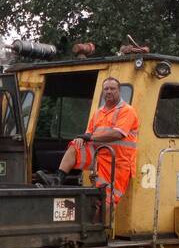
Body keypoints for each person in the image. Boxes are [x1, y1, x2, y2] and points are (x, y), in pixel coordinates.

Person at [37, 76, 138, 206]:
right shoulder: (98, 113)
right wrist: (81, 138)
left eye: (112, 88)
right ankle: (57, 180)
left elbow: (117, 134)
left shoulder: (127, 111)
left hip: (118, 162)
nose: (108, 91)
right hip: (99, 156)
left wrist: (89, 137)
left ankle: (101, 226)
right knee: (75, 146)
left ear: (119, 91)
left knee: (105, 201)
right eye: (106, 89)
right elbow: (88, 133)